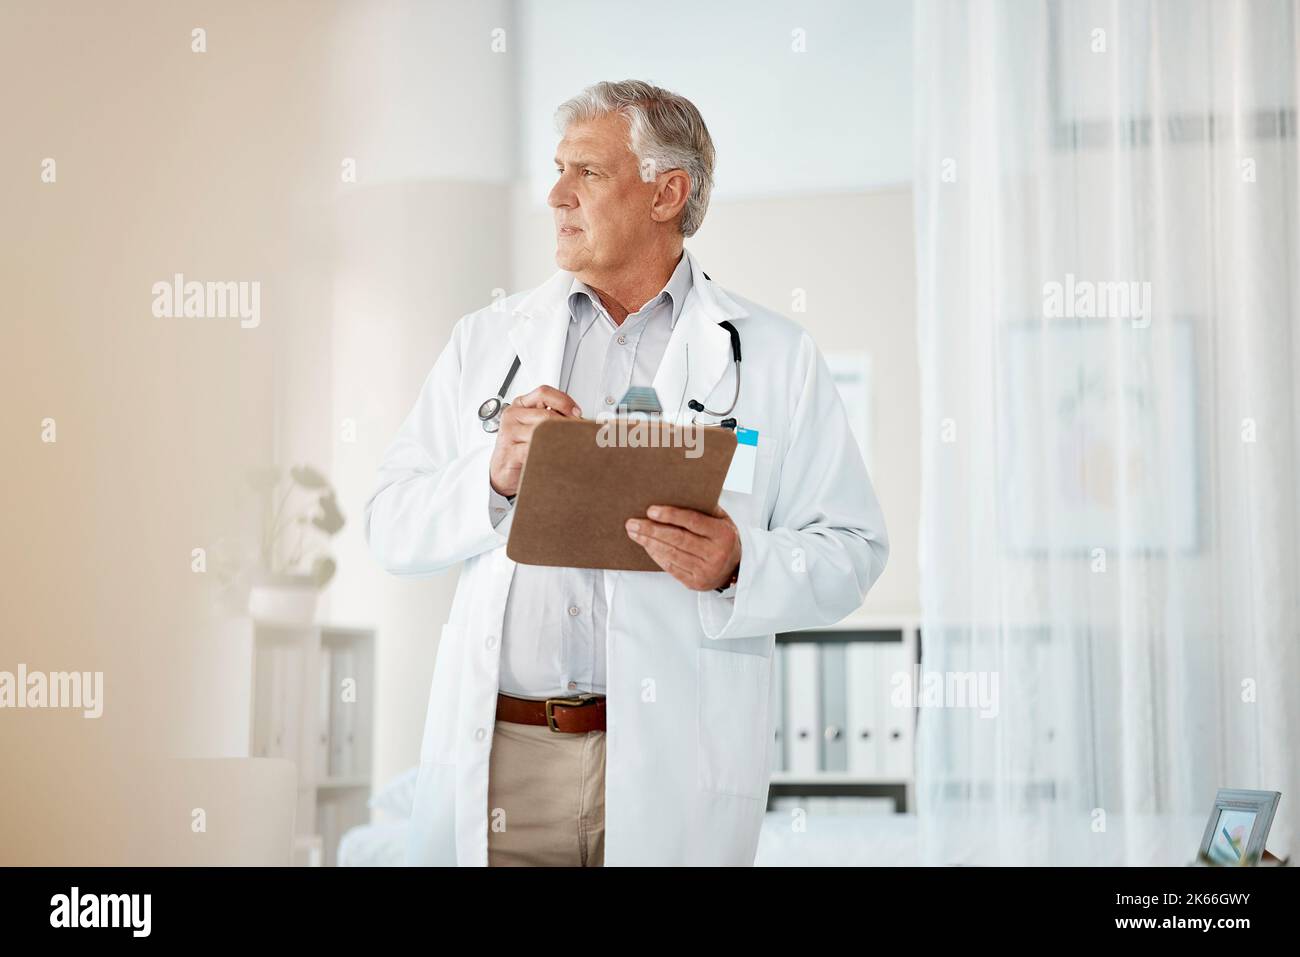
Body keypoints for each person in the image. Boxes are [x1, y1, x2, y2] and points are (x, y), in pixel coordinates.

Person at [364, 79, 889, 866]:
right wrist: (494, 476)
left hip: (671, 760)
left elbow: (853, 546)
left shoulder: (775, 356)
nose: (555, 194)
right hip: (506, 762)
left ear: (665, 192)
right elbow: (388, 523)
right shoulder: (488, 340)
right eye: (556, 169)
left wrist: (739, 562)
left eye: (587, 172)